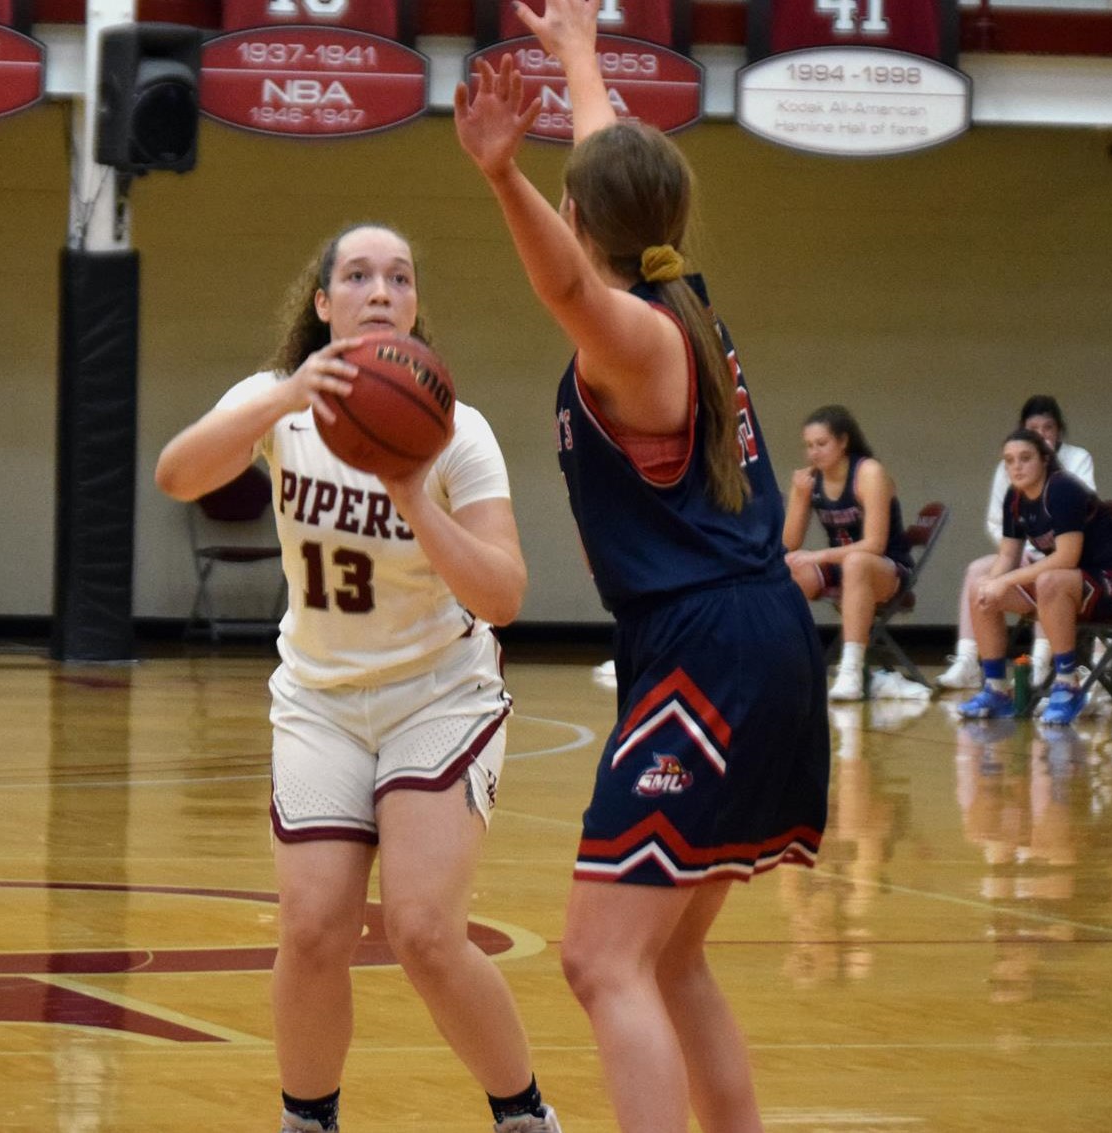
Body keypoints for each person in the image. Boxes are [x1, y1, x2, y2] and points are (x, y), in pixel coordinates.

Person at [455, 3, 830, 1129]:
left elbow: (567, 283)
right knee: (664, 960)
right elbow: (614, 175)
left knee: (598, 957)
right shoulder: (676, 303)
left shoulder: (627, 331)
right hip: (750, 641)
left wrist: (498, 177)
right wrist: (578, 58)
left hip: (705, 652)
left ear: (576, 216)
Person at [152, 223, 561, 1133]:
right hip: (322, 699)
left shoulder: (459, 430)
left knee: (421, 931)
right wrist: (280, 400)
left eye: (401, 277)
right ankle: (309, 1120)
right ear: (324, 303)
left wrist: (415, 496)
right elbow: (177, 474)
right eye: (359, 274)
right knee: (310, 929)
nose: (382, 289)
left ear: (415, 308)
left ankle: (524, 1115)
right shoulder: (274, 402)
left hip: (438, 695)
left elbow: (504, 593)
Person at [956, 429, 1112, 726]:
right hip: (1073, 585)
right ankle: (996, 689)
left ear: (1045, 459)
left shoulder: (1063, 489)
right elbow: (1007, 555)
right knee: (981, 586)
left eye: (1025, 458)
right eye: (1009, 461)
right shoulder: (1014, 498)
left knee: (1050, 580)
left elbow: (1066, 557)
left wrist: (1006, 581)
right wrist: (993, 585)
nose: (1016, 466)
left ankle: (1068, 684)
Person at [938, 395, 1097, 689]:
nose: (1040, 435)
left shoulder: (1068, 477)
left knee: (1048, 577)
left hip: (1078, 561)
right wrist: (998, 580)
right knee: (979, 578)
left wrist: (1010, 576)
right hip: (1029, 550)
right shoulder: (1014, 485)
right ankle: (974, 665)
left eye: (1047, 428)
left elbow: (1074, 533)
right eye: (1033, 428)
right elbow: (999, 528)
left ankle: (1043, 664)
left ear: (1058, 431)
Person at [782, 405, 915, 701]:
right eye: (808, 446)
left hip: (887, 569)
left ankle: (851, 670)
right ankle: (788, 661)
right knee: (784, 567)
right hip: (844, 568)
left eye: (821, 444)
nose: (813, 453)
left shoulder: (868, 473)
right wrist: (799, 496)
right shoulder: (812, 479)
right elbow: (789, 544)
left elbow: (875, 545)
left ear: (843, 442)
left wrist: (818, 556)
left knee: (856, 561)